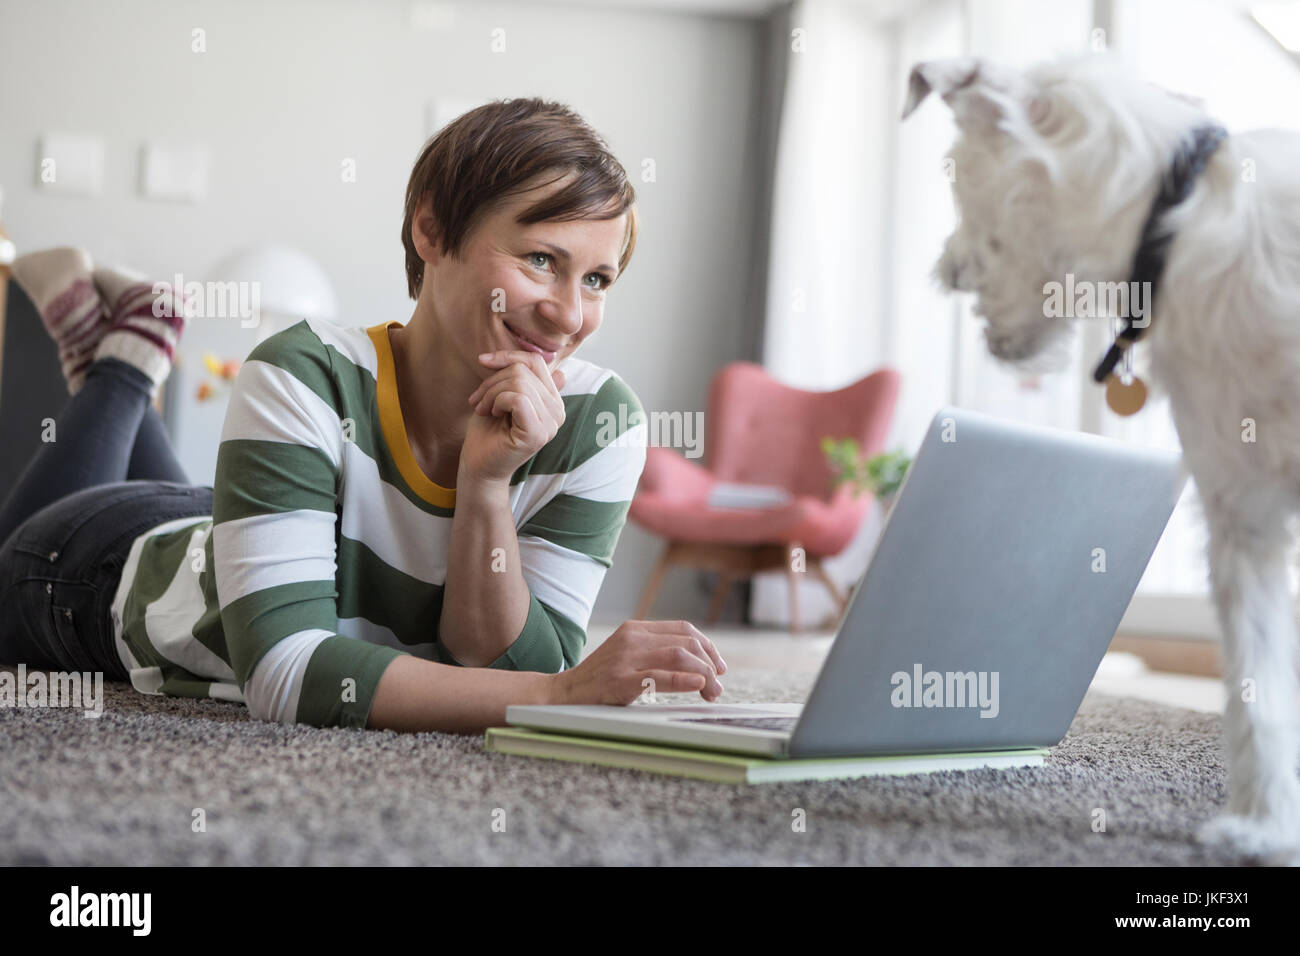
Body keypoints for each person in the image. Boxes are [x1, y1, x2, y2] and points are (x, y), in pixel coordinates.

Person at [0, 97, 726, 732]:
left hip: (230, 529)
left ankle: (93, 344)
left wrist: (485, 488)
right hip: (96, 568)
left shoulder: (597, 421)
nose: (569, 313)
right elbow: (285, 674)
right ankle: (131, 354)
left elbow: (499, 662)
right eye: (540, 259)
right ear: (432, 231)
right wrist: (563, 691)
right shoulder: (303, 373)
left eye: (596, 278)